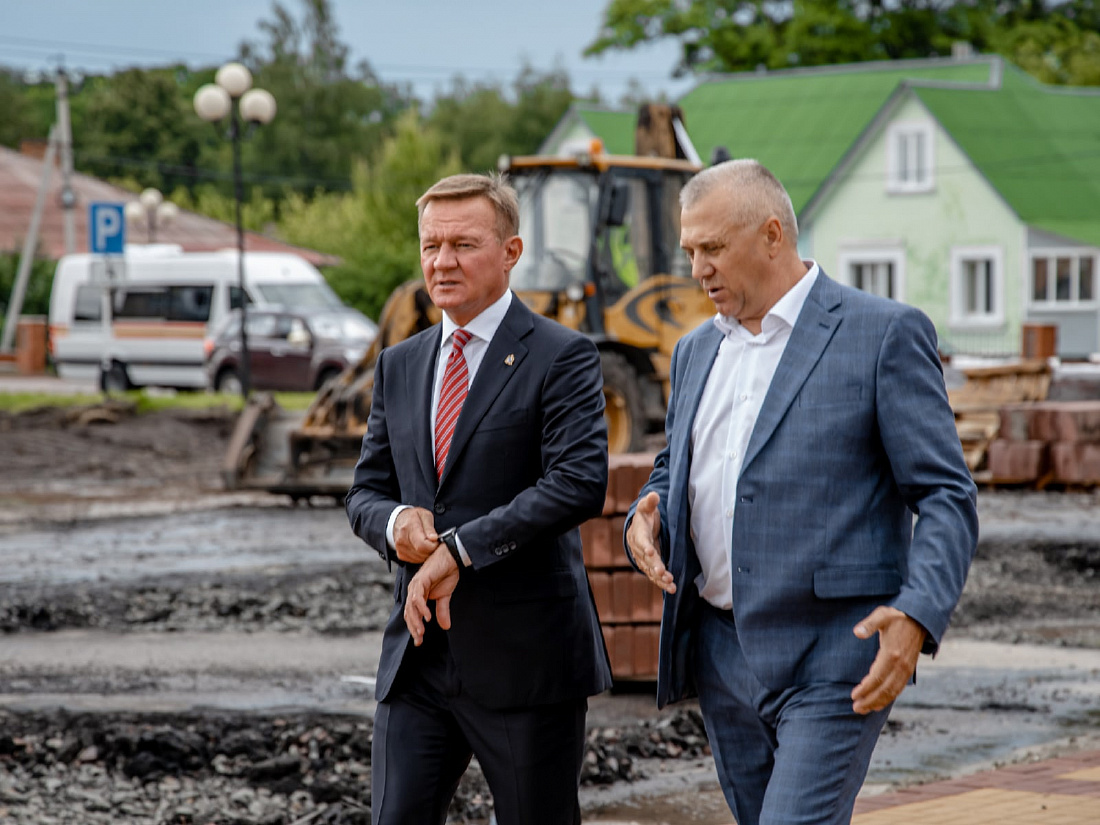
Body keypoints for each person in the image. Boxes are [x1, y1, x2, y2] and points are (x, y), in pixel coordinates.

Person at [624, 159, 979, 825]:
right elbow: (678, 467)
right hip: (721, 654)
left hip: (834, 653)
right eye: (690, 251)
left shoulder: (882, 334)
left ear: (771, 235)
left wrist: (918, 614)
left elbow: (945, 494)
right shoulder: (694, 351)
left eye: (712, 247)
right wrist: (647, 515)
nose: (698, 268)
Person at [345, 173, 611, 825]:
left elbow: (577, 482)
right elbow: (365, 492)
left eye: (463, 244)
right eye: (430, 246)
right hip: (418, 659)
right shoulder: (399, 364)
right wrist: (395, 523)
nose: (442, 261)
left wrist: (460, 550)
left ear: (511, 251)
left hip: (526, 661)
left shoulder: (562, 356)